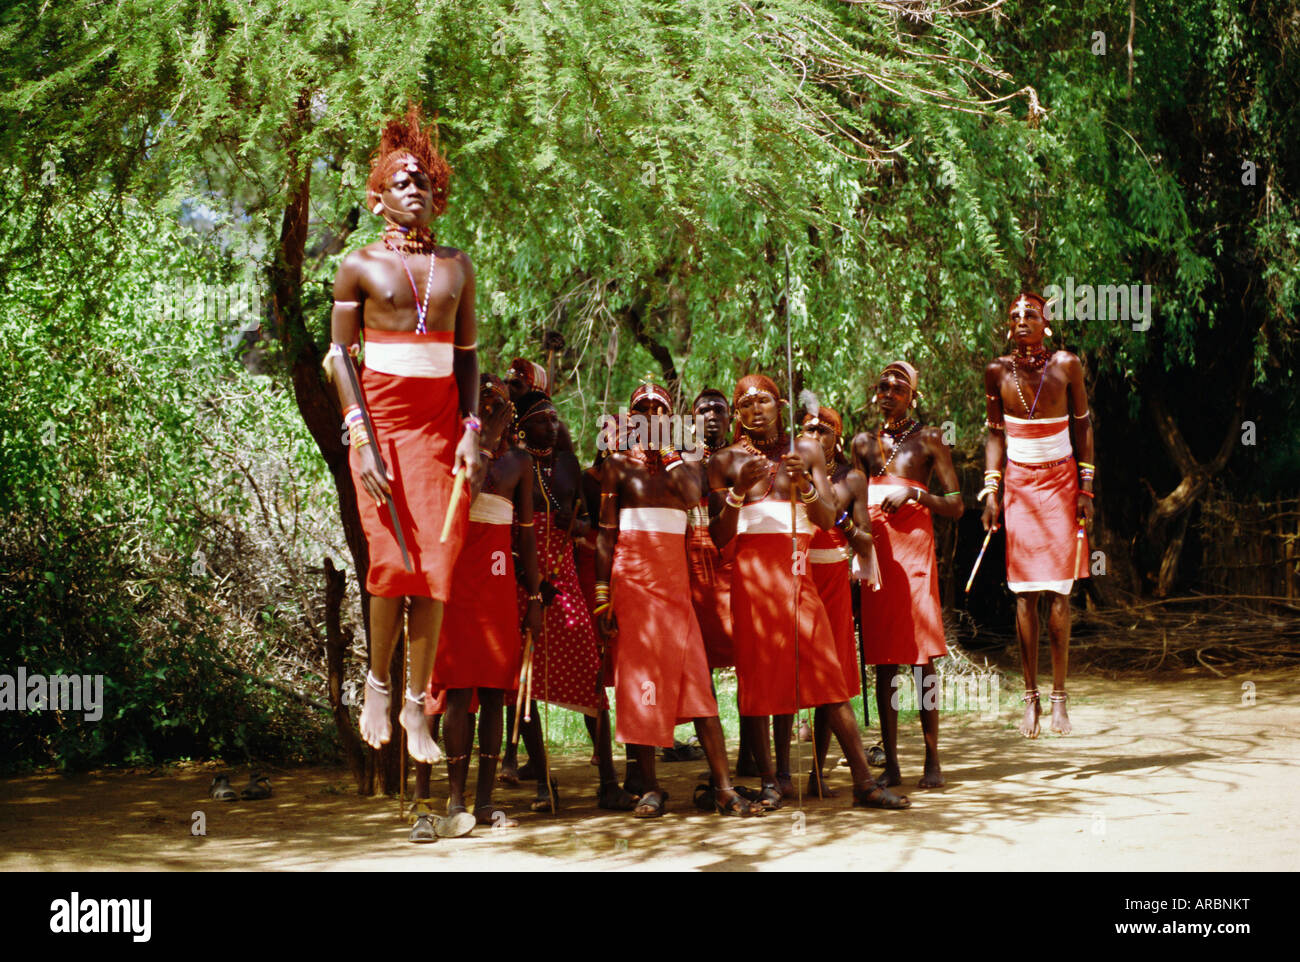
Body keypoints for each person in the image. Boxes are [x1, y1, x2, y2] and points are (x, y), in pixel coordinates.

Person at [324, 105, 479, 765]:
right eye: (400, 181)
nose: (413, 189)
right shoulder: (358, 266)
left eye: (422, 181)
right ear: (376, 197)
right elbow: (338, 358)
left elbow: (468, 356)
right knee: (391, 569)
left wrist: (473, 429)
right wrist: (359, 438)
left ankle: (420, 705)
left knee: (436, 572)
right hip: (381, 429)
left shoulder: (457, 266)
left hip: (442, 434)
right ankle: (379, 686)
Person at [708, 374, 909, 810]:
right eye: (744, 405)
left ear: (780, 405)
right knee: (757, 681)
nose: (753, 410)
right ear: (738, 415)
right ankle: (768, 782)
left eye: (762, 402)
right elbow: (719, 534)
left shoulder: (807, 452)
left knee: (827, 678)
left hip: (798, 576)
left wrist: (806, 486)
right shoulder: (724, 460)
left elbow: (825, 517)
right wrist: (739, 491)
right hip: (752, 580)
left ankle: (863, 782)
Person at [593, 383, 762, 818]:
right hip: (631, 584)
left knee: (697, 684)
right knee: (640, 683)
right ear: (630, 417)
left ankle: (723, 787)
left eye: (659, 408)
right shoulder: (617, 467)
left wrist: (667, 450)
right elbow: (606, 535)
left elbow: (691, 497)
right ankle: (650, 787)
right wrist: (601, 597)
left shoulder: (688, 465)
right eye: (642, 409)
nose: (650, 414)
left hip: (674, 586)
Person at [408, 375, 544, 842]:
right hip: (455, 580)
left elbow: (524, 533)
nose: (489, 406)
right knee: (455, 692)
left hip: (499, 584)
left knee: (491, 693)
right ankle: (450, 800)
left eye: (498, 401)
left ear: (511, 411)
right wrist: (481, 442)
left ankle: (484, 801)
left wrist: (537, 597)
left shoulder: (521, 463)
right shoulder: (453, 453)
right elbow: (468, 487)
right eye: (481, 399)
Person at [503, 390, 635, 811]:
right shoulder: (510, 465)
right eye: (544, 419)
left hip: (565, 581)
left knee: (591, 676)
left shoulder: (568, 467)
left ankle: (609, 781)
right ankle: (543, 782)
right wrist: (530, 580)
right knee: (521, 682)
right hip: (524, 581)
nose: (554, 425)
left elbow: (595, 522)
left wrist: (574, 523)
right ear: (522, 426)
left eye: (556, 418)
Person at [982, 293, 1094, 737]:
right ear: (1008, 326)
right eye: (1014, 315)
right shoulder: (996, 372)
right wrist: (991, 490)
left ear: (1046, 321)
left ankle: (1059, 699)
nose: (1022, 320)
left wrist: (1086, 487)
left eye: (1030, 314)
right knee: (1025, 593)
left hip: (1063, 482)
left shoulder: (1066, 364)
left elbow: (1083, 424)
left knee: (1060, 595)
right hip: (1020, 485)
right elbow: (994, 433)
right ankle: (1029, 696)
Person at [853, 362, 963, 788]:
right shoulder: (864, 442)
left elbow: (955, 504)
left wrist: (916, 491)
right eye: (882, 386)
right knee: (884, 658)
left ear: (912, 394)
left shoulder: (930, 439)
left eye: (898, 387)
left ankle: (933, 760)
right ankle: (893, 762)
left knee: (922, 658)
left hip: (915, 546)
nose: (888, 392)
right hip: (879, 548)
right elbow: (853, 500)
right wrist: (855, 546)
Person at [798, 405, 870, 797]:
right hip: (796, 573)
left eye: (823, 430)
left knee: (832, 677)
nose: (815, 435)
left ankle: (818, 774)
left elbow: (866, 539)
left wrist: (837, 520)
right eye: (808, 428)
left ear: (837, 438)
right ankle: (772, 774)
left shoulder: (852, 480)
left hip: (833, 578)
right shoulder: (788, 471)